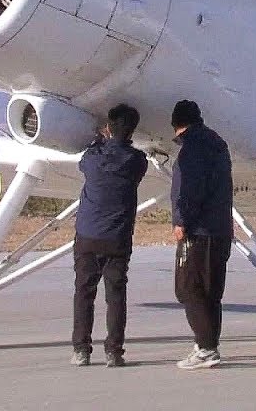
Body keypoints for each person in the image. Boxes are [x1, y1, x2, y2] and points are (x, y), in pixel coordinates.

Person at [71, 103, 147, 368]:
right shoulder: (136, 161)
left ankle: (81, 349)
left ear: (109, 127)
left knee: (84, 292)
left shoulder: (93, 158)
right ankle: (114, 351)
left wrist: (99, 140)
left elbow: (85, 161)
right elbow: (137, 162)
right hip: (117, 237)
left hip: (87, 234)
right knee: (115, 295)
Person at [169, 100, 234, 370]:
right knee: (211, 292)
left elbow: (188, 189)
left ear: (177, 125)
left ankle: (206, 349)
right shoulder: (217, 144)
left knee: (189, 289)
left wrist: (181, 221)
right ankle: (208, 344)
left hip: (200, 231)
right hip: (220, 228)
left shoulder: (191, 151)